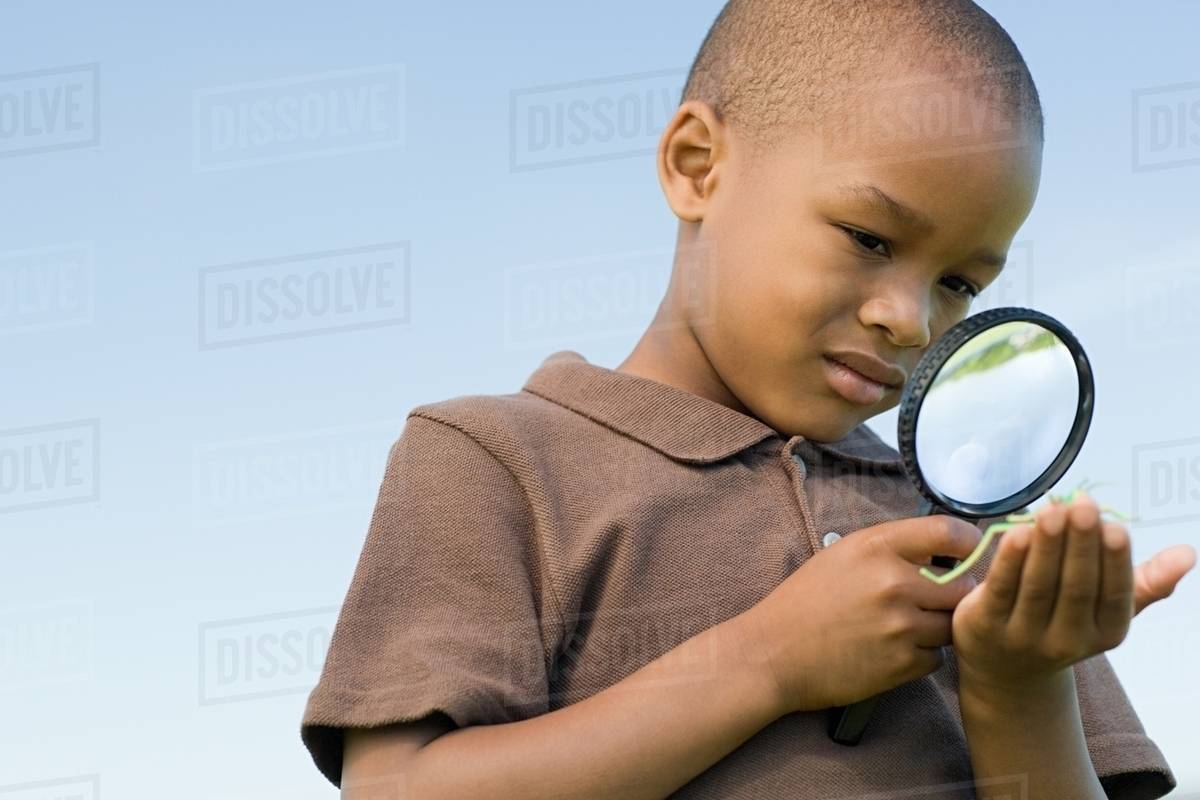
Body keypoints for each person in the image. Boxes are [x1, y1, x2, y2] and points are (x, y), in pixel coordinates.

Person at [299, 1, 1197, 797]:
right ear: (697, 166)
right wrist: (768, 661)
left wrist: (1017, 684)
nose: (910, 319)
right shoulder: (494, 458)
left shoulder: (980, 539)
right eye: (869, 237)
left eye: (960, 282)